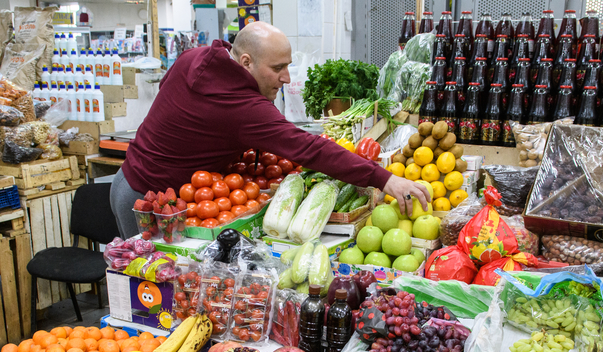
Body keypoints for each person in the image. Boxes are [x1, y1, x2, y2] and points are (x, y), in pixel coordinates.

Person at [110, 22, 430, 238]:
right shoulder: (243, 109)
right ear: (246, 61)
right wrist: (385, 178)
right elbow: (311, 149)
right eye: (278, 68)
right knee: (153, 295)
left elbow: (172, 97)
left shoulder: (192, 58)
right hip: (150, 205)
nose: (287, 78)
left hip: (123, 182)